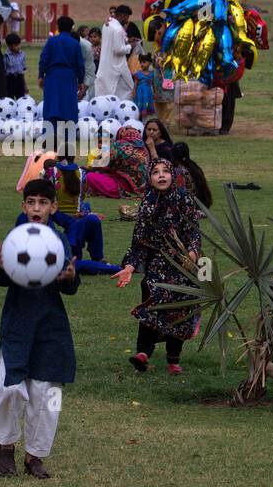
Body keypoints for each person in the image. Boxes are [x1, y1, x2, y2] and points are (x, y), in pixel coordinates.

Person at [0, 178, 80, 478]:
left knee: (46, 393)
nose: (37, 208)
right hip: (17, 322)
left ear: (53, 207)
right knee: (9, 388)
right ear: (24, 206)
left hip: (50, 326)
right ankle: (5, 446)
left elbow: (69, 284)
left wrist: (68, 278)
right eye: (31, 202)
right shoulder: (15, 238)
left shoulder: (59, 240)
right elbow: (0, 279)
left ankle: (35, 456)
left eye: (43, 202)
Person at [116, 159, 203, 375]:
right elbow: (139, 243)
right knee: (151, 304)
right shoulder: (147, 204)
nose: (161, 175)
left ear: (172, 175)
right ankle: (143, 353)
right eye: (156, 172)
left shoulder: (184, 199)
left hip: (182, 267)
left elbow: (194, 230)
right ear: (150, 178)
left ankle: (173, 360)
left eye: (166, 171)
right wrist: (129, 267)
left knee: (179, 311)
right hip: (156, 266)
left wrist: (192, 251)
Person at [38, 15, 84, 154]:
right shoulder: (75, 43)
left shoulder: (52, 41)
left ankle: (48, 143)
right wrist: (80, 81)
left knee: (51, 109)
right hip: (69, 78)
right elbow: (80, 64)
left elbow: (44, 59)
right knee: (68, 110)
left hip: (52, 77)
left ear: (57, 27)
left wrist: (41, 75)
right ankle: (67, 145)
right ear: (71, 28)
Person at [85, 124, 149, 198]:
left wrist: (88, 168)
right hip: (142, 188)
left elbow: (102, 164)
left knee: (90, 176)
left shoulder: (119, 144)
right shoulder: (144, 148)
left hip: (124, 188)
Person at [96, 5, 134, 101]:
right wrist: (130, 46)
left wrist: (126, 40)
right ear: (122, 15)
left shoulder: (106, 25)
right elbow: (118, 50)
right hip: (117, 65)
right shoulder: (117, 29)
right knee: (130, 88)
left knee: (107, 94)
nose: (127, 20)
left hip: (105, 65)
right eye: (127, 17)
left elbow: (111, 42)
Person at [3, 32, 27, 99]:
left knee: (21, 99)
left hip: (20, 79)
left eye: (19, 44)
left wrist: (25, 85)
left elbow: (22, 71)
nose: (18, 46)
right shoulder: (6, 56)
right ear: (9, 46)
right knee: (9, 98)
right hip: (10, 80)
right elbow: (3, 72)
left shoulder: (22, 55)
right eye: (16, 45)